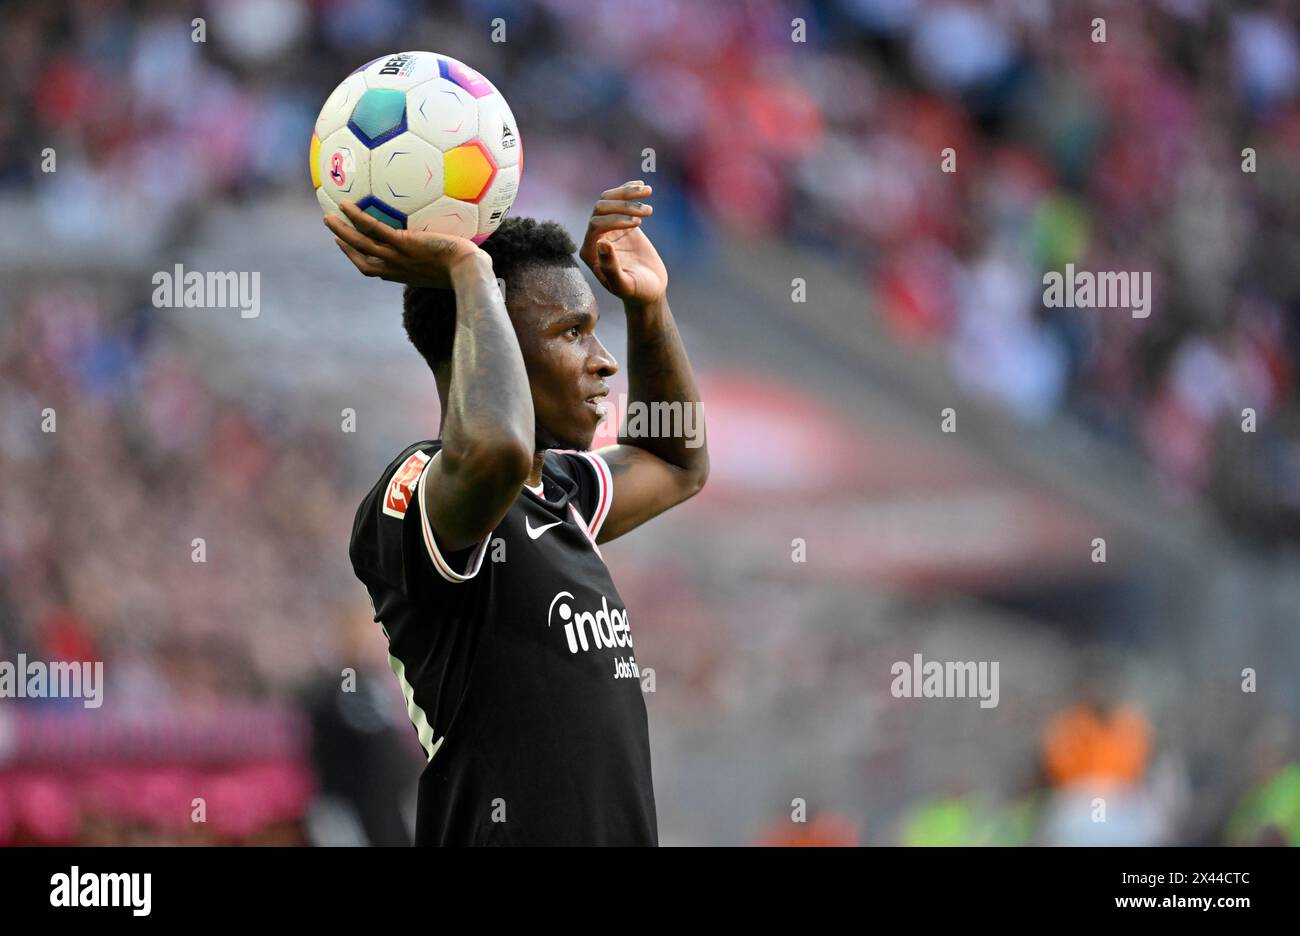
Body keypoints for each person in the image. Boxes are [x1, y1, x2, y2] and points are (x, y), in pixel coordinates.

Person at [338, 181, 708, 845]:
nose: (603, 363)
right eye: (571, 333)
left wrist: (646, 306)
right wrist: (468, 271)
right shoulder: (420, 489)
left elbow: (676, 462)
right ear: (486, 347)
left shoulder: (559, 492)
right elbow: (496, 450)